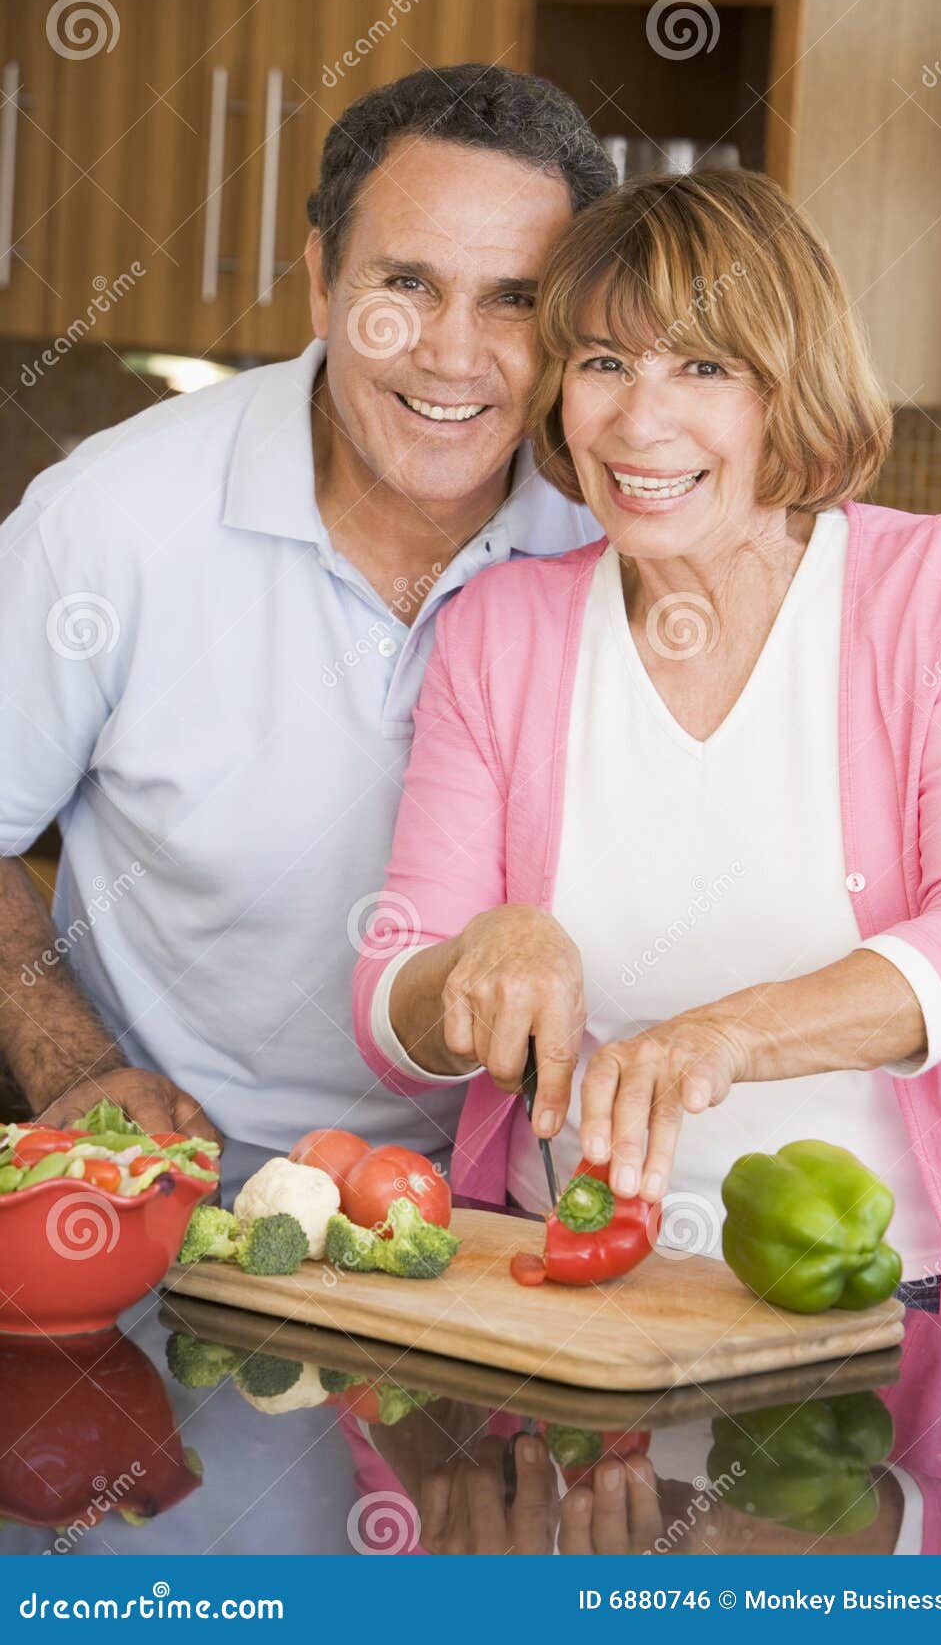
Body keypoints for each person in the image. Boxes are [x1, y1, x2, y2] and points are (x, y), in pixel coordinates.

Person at [355, 167, 941, 1333]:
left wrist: (718, 1035)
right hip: (571, 1286)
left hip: (911, 1291)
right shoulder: (502, 628)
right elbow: (389, 1004)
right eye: (600, 362)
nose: (639, 422)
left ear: (788, 390)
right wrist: (481, 952)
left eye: (701, 366)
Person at [0, 66, 609, 1158]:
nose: (453, 355)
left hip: (495, 1224)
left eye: (514, 298)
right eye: (407, 285)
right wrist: (82, 1071)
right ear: (323, 281)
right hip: (175, 1200)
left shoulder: (618, 535)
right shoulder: (113, 518)